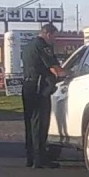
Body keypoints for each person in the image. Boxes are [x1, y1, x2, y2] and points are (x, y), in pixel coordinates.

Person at [21, 23, 68, 168]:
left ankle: (30, 157)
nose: (54, 40)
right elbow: (54, 68)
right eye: (54, 37)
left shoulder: (28, 46)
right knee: (40, 124)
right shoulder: (43, 46)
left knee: (30, 123)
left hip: (28, 85)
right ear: (48, 34)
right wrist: (68, 74)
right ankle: (40, 159)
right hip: (39, 88)